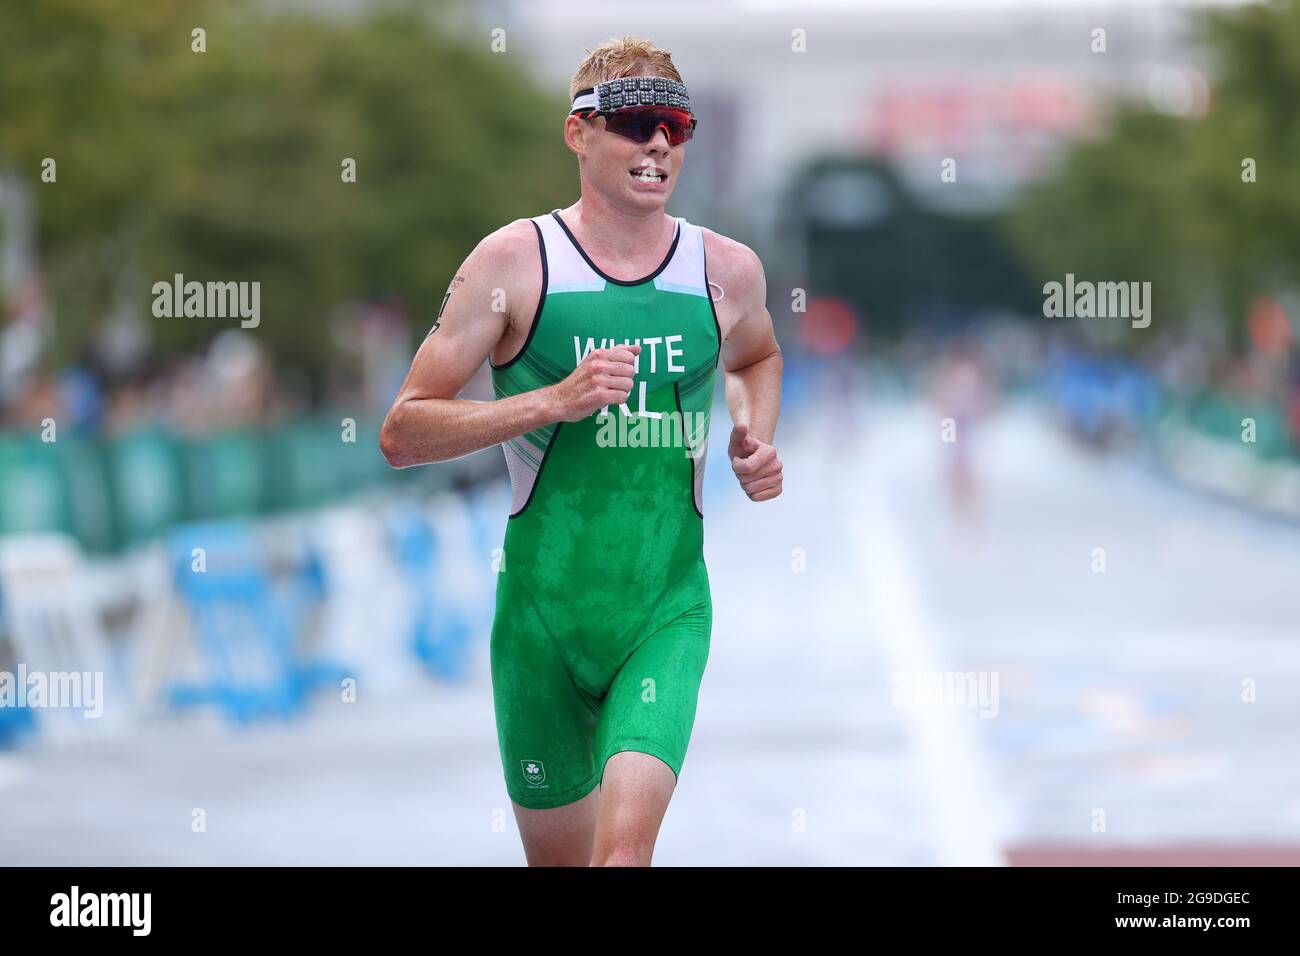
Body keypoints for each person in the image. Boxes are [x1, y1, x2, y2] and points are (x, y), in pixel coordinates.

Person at [380, 36, 783, 866]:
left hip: (664, 612)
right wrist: (551, 402)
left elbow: (756, 357)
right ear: (579, 133)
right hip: (540, 628)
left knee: (622, 858)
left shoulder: (727, 271)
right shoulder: (514, 264)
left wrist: (753, 432)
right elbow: (404, 429)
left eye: (677, 125)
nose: (659, 145)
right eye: (636, 123)